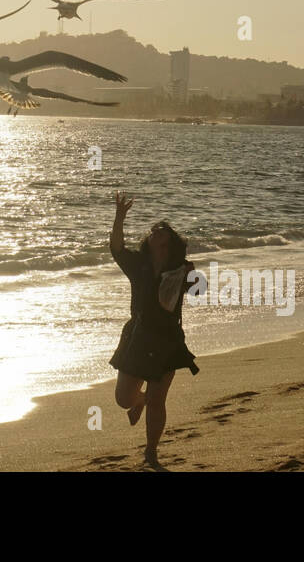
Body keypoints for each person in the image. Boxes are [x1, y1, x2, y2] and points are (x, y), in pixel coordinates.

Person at [108, 190, 199, 469]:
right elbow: (116, 249)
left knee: (159, 400)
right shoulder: (138, 264)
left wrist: (192, 275)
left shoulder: (179, 268)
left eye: (161, 230)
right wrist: (120, 217)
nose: (155, 232)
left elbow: (200, 290)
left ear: (170, 241)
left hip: (167, 339)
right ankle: (141, 399)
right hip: (138, 335)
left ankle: (151, 453)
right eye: (153, 230)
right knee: (124, 399)